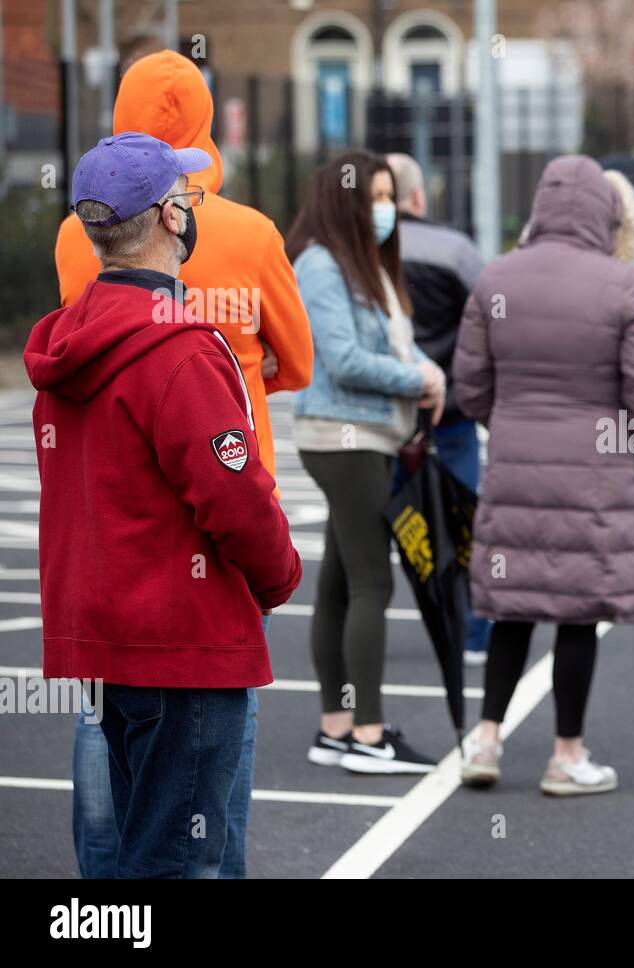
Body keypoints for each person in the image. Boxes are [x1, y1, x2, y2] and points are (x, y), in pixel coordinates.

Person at [53, 50, 313, 880]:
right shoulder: (233, 264)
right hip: (205, 570)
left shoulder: (79, 242)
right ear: (171, 213)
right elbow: (294, 365)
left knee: (109, 767)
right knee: (203, 803)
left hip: (105, 562)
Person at [454, 156, 634, 795]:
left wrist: (514, 419)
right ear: (606, 211)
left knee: (511, 606)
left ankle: (486, 739)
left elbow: (469, 389)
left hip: (516, 463)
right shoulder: (625, 285)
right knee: (578, 611)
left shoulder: (497, 278)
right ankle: (566, 754)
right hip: (596, 472)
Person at [286, 151, 447, 775]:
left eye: (388, 194)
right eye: (374, 195)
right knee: (371, 584)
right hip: (344, 438)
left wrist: (419, 373)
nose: (386, 207)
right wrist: (418, 379)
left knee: (338, 583)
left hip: (365, 438)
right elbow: (347, 360)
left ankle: (336, 727)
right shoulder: (325, 266)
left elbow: (380, 346)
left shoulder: (362, 264)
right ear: (343, 199)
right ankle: (368, 735)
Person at [386, 152, 492, 668]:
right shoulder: (456, 250)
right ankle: (473, 630)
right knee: (465, 519)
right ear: (420, 196)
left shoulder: (359, 253)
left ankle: (369, 630)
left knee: (377, 528)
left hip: (382, 418)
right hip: (450, 411)